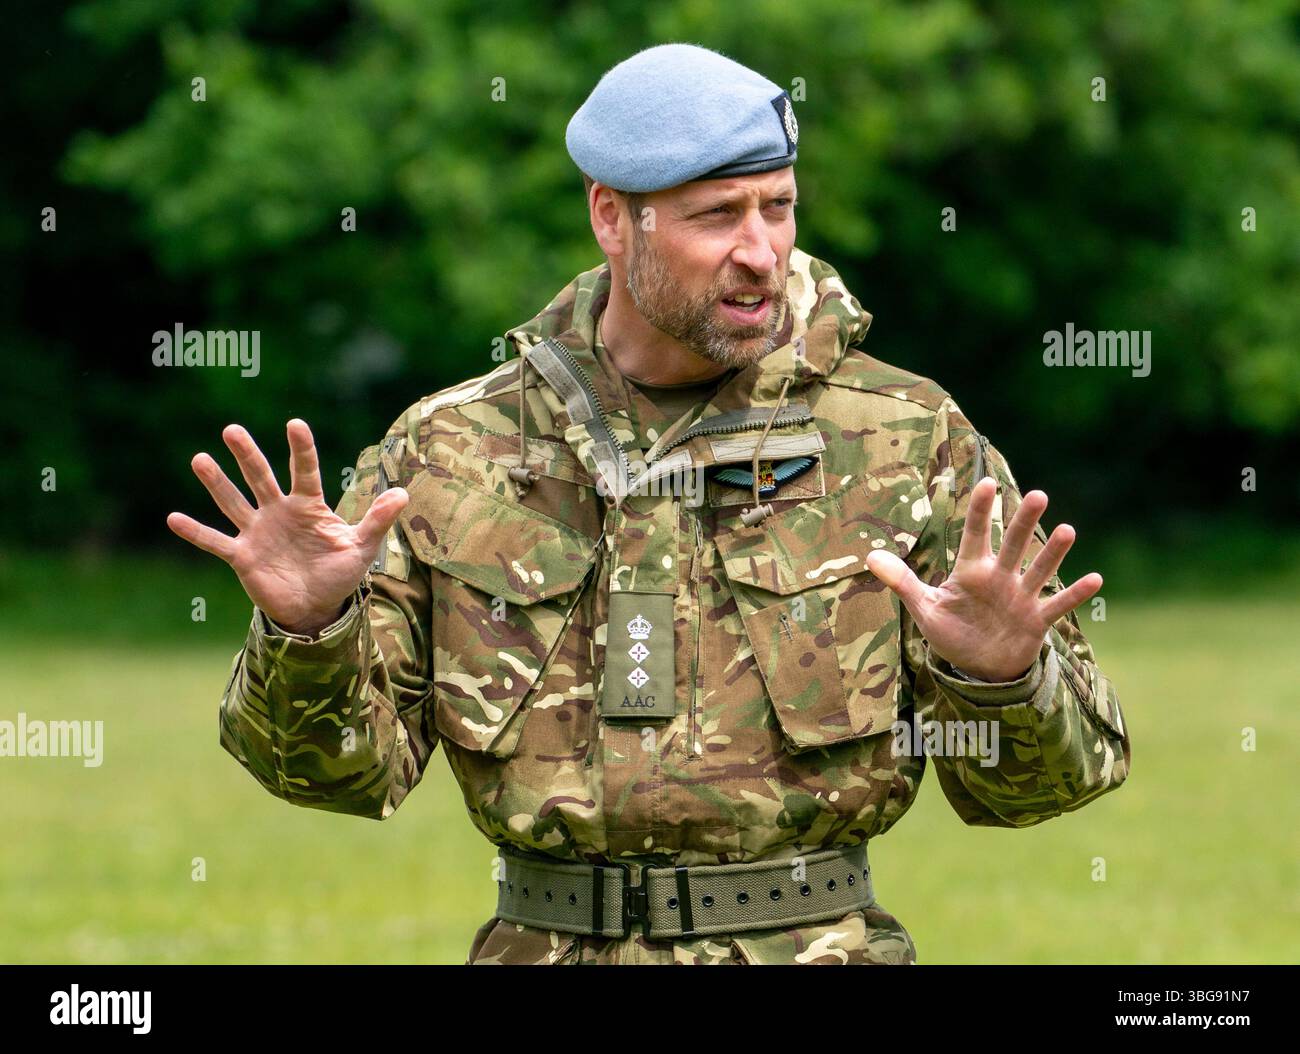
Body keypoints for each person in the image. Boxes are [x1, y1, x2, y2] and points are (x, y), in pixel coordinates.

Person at [167, 43, 1131, 965]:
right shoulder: (453, 450)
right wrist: (310, 630)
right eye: (717, 215)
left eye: (779, 207)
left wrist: (1004, 680)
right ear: (612, 217)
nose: (761, 250)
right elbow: (330, 775)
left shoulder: (904, 440)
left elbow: (1050, 786)